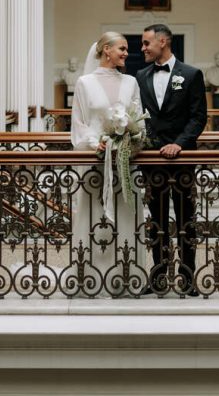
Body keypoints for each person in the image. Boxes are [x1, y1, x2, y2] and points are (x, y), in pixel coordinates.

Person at [69, 32, 146, 295]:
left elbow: (139, 118)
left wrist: (132, 139)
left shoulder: (131, 82)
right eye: (122, 49)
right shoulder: (84, 83)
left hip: (125, 161)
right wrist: (95, 143)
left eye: (126, 50)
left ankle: (126, 276)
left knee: (127, 213)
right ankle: (90, 275)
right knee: (94, 215)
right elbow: (79, 123)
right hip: (95, 162)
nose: (126, 53)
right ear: (105, 50)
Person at [137, 23, 207, 295]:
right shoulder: (141, 76)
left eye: (146, 43)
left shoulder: (190, 75)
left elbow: (198, 116)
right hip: (152, 160)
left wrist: (179, 145)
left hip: (182, 161)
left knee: (186, 220)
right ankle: (157, 277)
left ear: (163, 42)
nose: (142, 48)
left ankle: (187, 279)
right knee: (156, 222)